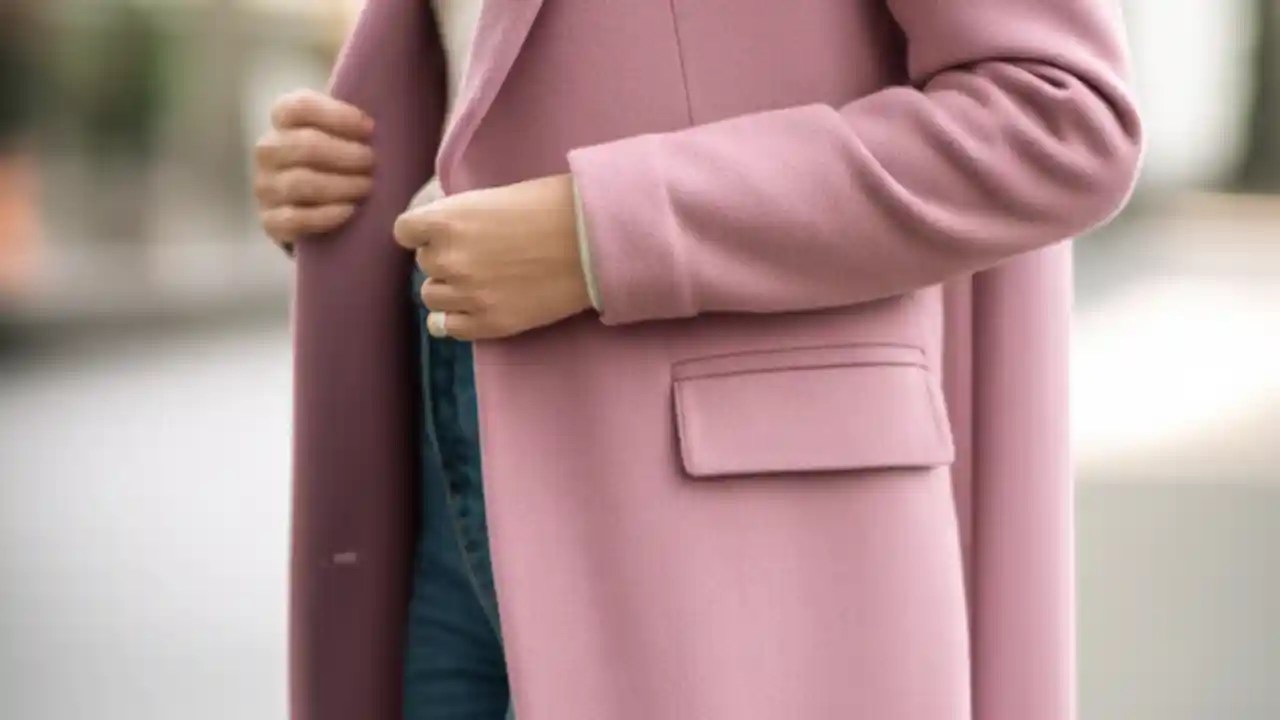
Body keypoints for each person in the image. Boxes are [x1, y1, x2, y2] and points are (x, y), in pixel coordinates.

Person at [253, 2, 1143, 719]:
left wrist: (602, 233)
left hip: (728, 515)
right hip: (446, 446)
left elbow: (1060, 113)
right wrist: (360, 183)